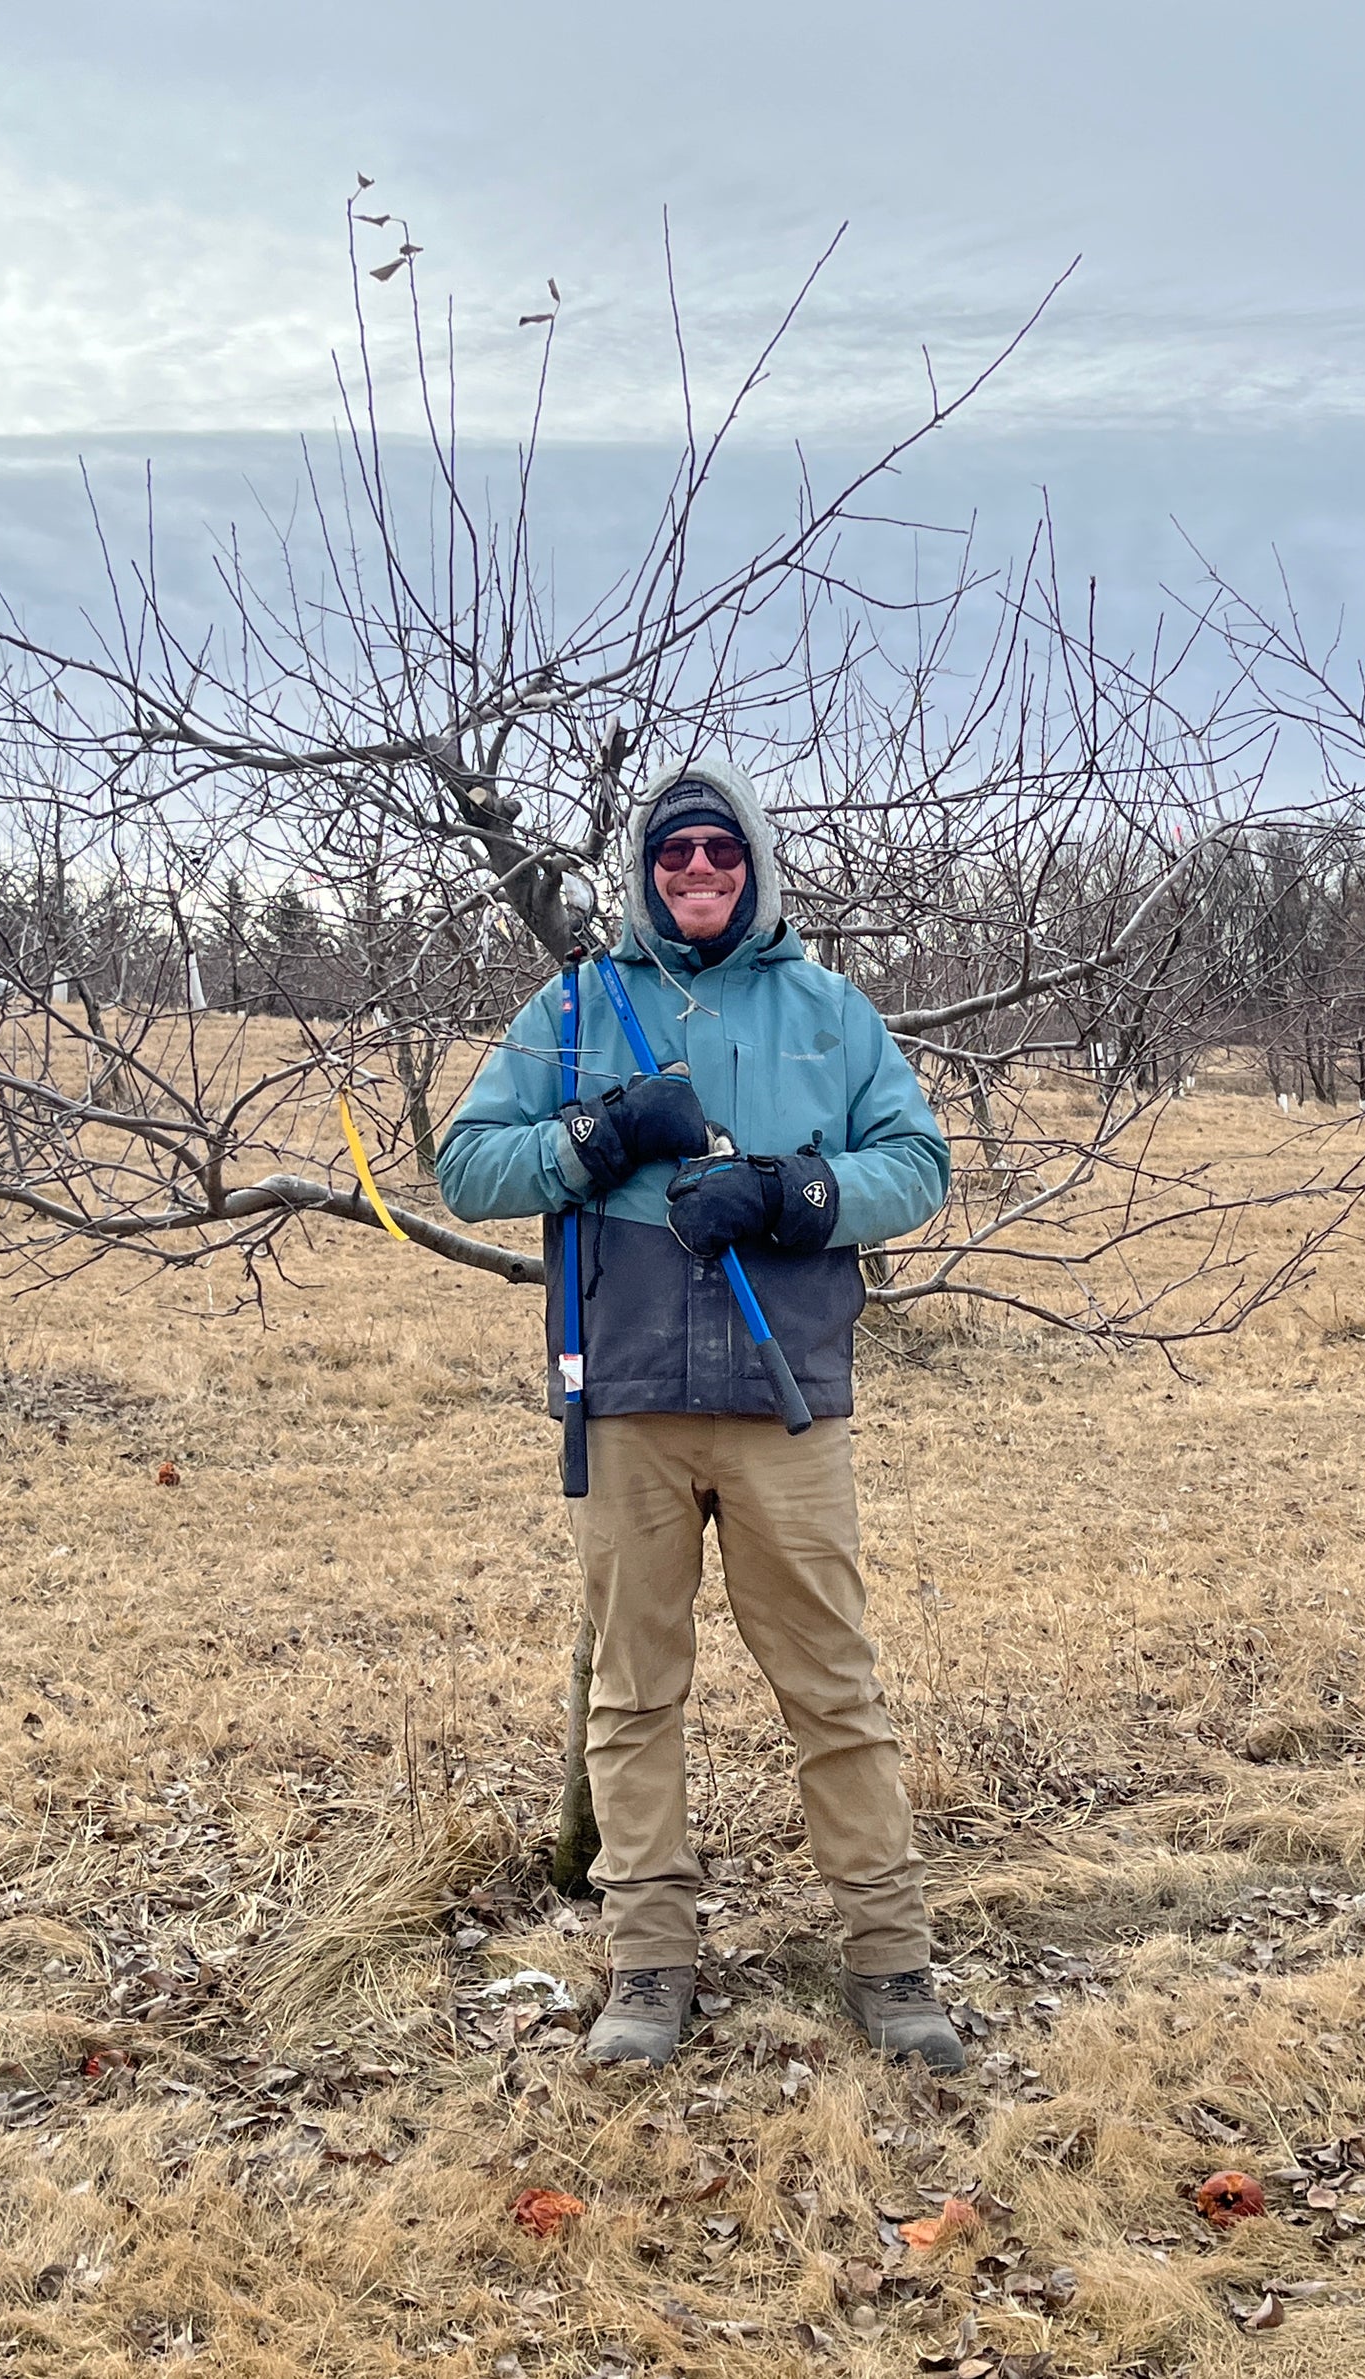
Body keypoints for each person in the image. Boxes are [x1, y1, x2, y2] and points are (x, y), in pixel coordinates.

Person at [437, 755, 962, 2071]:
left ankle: (891, 1962)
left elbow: (919, 1166)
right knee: (633, 1696)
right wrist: (599, 1137)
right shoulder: (573, 1004)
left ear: (756, 865)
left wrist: (794, 1197)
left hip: (787, 1401)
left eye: (720, 853)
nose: (699, 875)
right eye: (674, 855)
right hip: (626, 1401)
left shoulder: (833, 1013)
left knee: (833, 1690)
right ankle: (650, 1967)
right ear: (643, 872)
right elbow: (465, 1166)